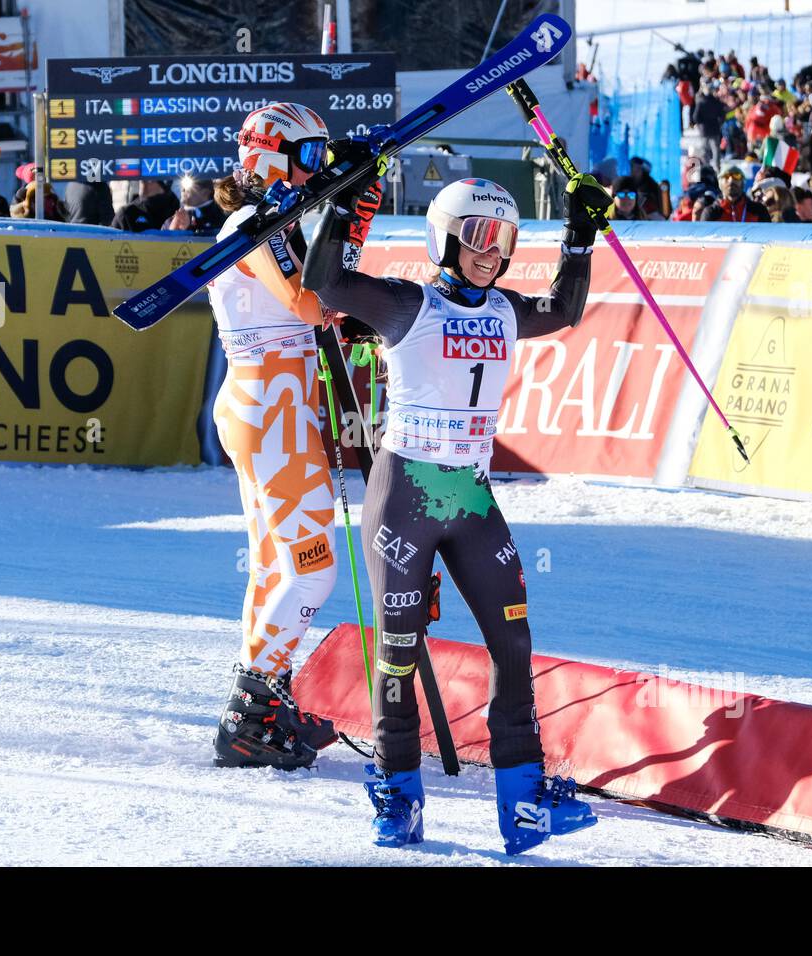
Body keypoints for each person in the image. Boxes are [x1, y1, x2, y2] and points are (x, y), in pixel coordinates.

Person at [302, 172, 599, 855]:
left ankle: (522, 802)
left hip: (470, 497)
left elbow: (564, 308)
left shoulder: (503, 311)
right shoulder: (409, 304)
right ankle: (397, 795)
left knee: (514, 645)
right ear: (443, 238)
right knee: (399, 655)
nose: (491, 252)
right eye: (476, 236)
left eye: (504, 239)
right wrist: (344, 201)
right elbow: (330, 284)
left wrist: (579, 236)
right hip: (404, 495)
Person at [206, 102, 345, 771]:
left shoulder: (271, 223)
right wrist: (353, 213)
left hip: (270, 400)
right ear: (267, 157)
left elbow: (320, 292)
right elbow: (312, 304)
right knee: (314, 569)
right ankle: (251, 708)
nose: (316, 170)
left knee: (274, 567)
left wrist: (349, 207)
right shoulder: (253, 225)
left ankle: (266, 699)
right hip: (272, 404)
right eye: (309, 156)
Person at [110, 178, 179, 232]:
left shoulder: (178, 214)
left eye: (150, 180)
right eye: (141, 179)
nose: (143, 182)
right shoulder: (127, 214)